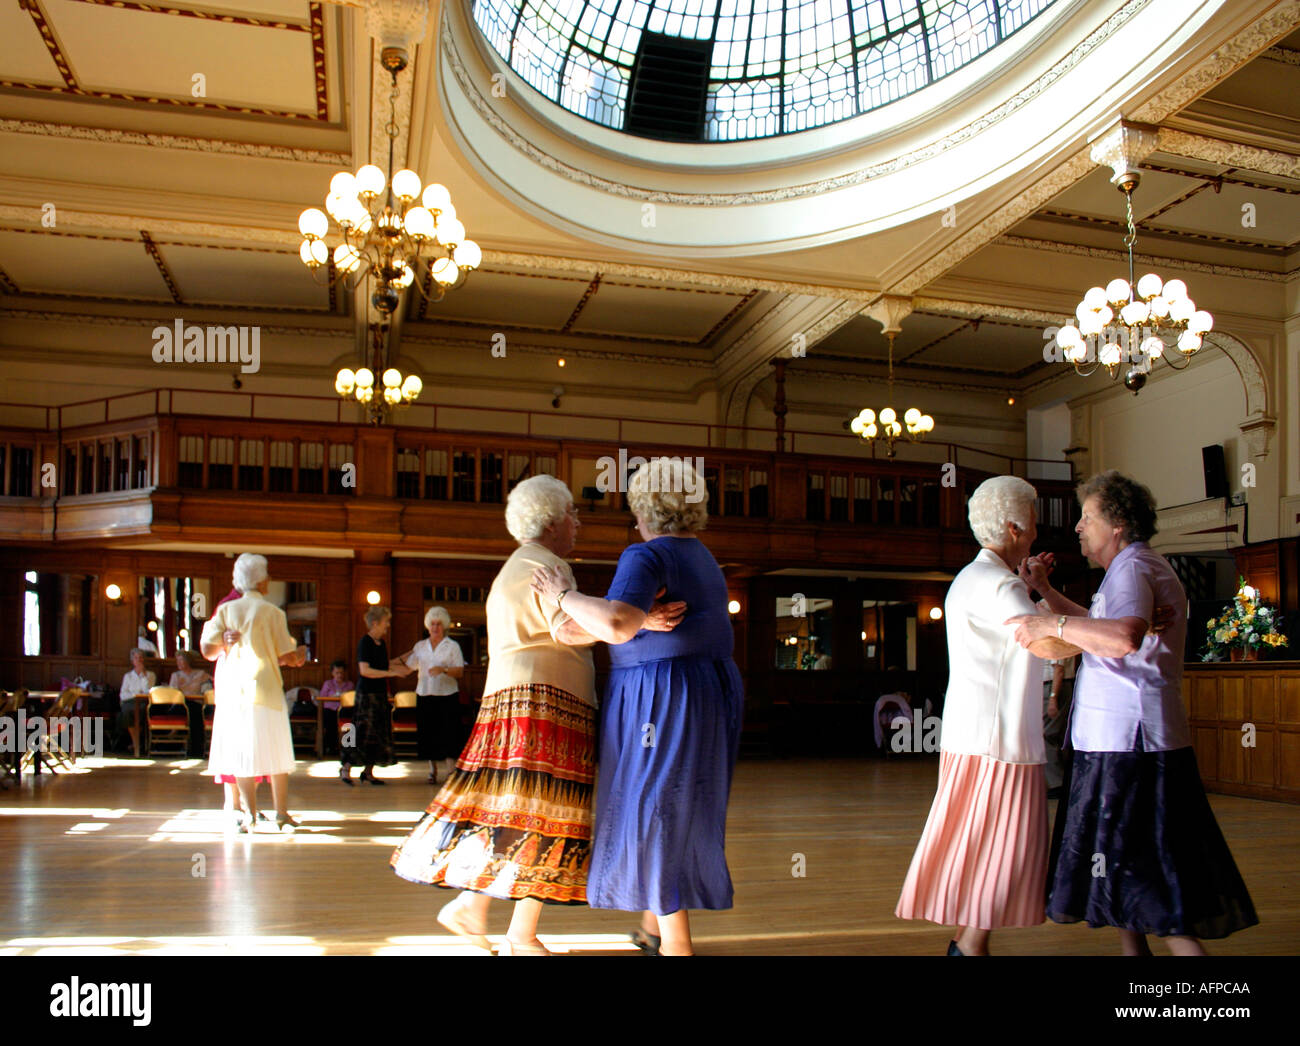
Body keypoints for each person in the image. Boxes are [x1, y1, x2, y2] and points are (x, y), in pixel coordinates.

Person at [391, 475, 681, 955]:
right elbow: (567, 629)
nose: (578, 522)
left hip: (515, 698)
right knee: (550, 815)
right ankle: (516, 933)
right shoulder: (546, 565)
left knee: (522, 811)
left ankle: (475, 908)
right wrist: (637, 620)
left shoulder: (515, 566)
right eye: (573, 513)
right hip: (547, 703)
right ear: (551, 520)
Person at [1008, 470, 1258, 954]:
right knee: (1124, 869)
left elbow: (1120, 638)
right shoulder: (1129, 568)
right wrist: (1044, 591)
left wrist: (1046, 620)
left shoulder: (1135, 568)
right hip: (1119, 740)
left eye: (1087, 517)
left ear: (1117, 523)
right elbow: (1097, 627)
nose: (1078, 527)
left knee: (1147, 873)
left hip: (1131, 744)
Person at [532, 457, 736, 957]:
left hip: (660, 695)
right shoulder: (703, 557)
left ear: (643, 507)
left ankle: (676, 947)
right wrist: (621, 617)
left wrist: (563, 595)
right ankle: (653, 926)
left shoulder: (645, 556)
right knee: (676, 804)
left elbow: (618, 624)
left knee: (653, 810)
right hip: (705, 691)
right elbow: (618, 621)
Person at [896, 476, 1076, 956]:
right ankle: (970, 946)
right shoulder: (996, 584)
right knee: (1004, 851)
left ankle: (968, 943)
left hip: (979, 736)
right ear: (1016, 526)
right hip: (999, 743)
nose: (1038, 529)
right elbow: (1043, 640)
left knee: (984, 848)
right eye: (1033, 519)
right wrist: (1112, 632)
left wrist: (1034, 586)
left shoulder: (978, 578)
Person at [201, 555, 308, 832]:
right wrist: (299, 655)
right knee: (277, 748)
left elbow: (207, 650)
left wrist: (224, 642)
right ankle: (281, 814)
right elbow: (285, 655)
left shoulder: (226, 610)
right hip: (267, 687)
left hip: (236, 690)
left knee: (241, 752)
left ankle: (249, 814)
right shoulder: (273, 612)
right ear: (262, 581)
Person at [340, 606, 411, 785]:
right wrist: (393, 673)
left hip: (379, 695)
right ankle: (346, 769)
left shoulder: (382, 643)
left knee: (378, 734)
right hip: (366, 695)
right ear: (375, 623)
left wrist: (408, 657)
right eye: (385, 622)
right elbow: (365, 670)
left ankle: (368, 772)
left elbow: (383, 665)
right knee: (360, 732)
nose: (388, 625)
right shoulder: (365, 642)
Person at [400, 606, 466, 784]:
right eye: (432, 624)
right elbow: (408, 667)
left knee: (449, 734)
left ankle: (451, 771)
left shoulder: (452, 646)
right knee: (428, 734)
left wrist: (443, 669)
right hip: (425, 694)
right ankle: (432, 770)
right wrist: (388, 666)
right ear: (427, 626)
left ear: (444, 626)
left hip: (447, 695)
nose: (435, 627)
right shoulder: (420, 646)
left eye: (438, 624)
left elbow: (459, 671)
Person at [1042, 654, 1076, 798]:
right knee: (1051, 734)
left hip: (1054, 687)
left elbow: (1058, 668)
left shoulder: (1057, 638)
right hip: (1050, 687)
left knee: (1047, 734)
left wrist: (1053, 697)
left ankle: (1057, 783)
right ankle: (1056, 781)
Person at [169, 650, 213, 757]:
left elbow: (211, 683)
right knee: (193, 712)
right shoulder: (176, 676)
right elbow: (173, 692)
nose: (178, 663)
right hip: (181, 705)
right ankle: (195, 750)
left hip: (198, 704)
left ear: (188, 661)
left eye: (181, 660)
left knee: (195, 711)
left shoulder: (200, 674)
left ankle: (195, 750)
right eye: (177, 660)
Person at [116, 648, 155, 755]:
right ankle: (136, 743)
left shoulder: (150, 675)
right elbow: (123, 694)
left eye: (141, 658)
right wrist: (135, 694)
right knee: (127, 712)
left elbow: (148, 691)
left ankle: (136, 745)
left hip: (144, 702)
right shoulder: (128, 676)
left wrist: (143, 675)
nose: (139, 660)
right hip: (130, 702)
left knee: (141, 712)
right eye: (136, 658)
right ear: (133, 661)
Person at [318, 659, 353, 757]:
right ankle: (331, 747)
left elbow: (352, 698)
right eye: (337, 673)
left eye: (341, 672)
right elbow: (322, 697)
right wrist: (333, 697)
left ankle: (349, 748)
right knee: (330, 723)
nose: (339, 675)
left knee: (350, 722)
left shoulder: (349, 684)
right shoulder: (328, 684)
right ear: (332, 673)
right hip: (330, 709)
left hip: (344, 710)